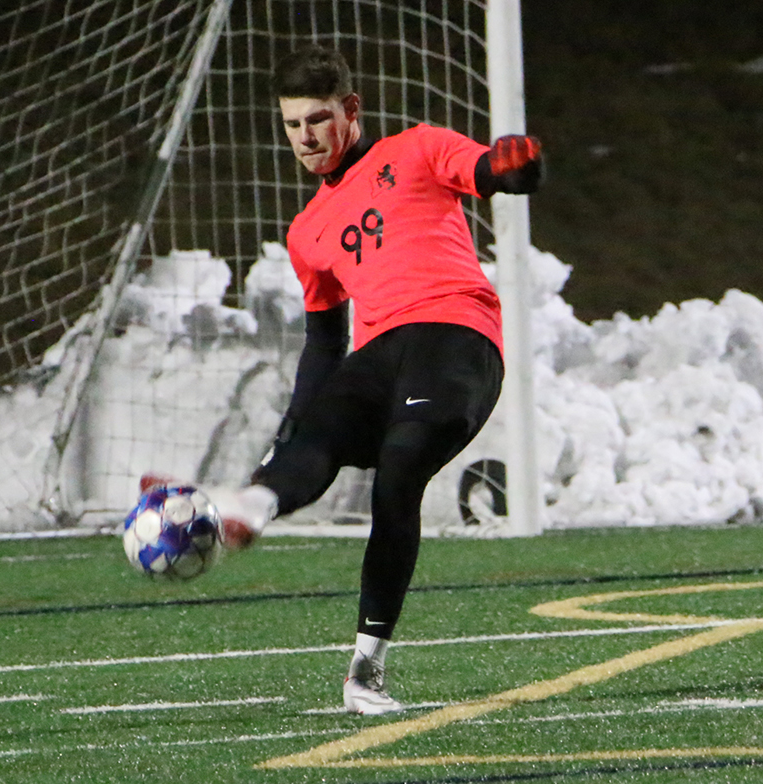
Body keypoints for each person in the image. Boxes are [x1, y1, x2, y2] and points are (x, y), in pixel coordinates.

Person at [198, 43, 543, 715]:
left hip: (455, 336)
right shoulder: (307, 231)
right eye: (293, 124)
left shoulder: (416, 149)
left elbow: (490, 171)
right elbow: (325, 342)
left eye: (319, 120)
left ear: (350, 110)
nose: (306, 137)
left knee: (401, 464)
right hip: (379, 352)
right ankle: (255, 506)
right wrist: (291, 431)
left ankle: (367, 666)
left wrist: (512, 165)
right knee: (314, 436)